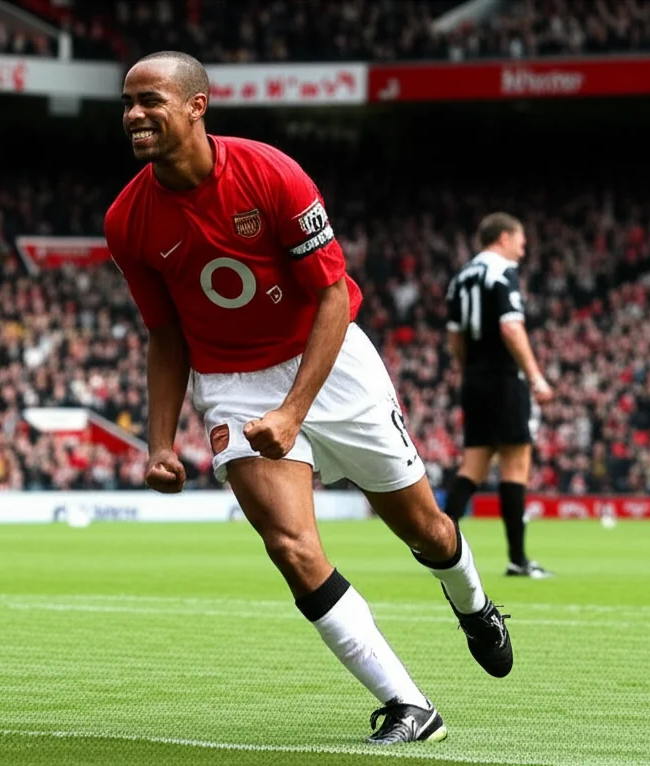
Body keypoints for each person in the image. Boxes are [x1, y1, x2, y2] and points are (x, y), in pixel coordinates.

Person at [104, 51, 512, 745]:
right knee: (290, 546)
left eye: (152, 100)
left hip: (330, 362)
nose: (135, 114)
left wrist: (295, 409)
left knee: (427, 530)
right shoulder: (127, 219)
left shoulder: (271, 173)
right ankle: (410, 704)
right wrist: (161, 444)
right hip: (232, 383)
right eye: (128, 102)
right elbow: (164, 334)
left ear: (198, 105)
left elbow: (330, 295)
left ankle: (472, 604)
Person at [443, 213, 553, 578]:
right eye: (521, 241)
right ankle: (518, 559)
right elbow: (510, 326)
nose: (523, 250)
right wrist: (535, 377)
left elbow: (455, 338)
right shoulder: (502, 272)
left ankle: (433, 542)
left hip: (474, 378)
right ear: (504, 237)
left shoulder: (461, 277)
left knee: (473, 464)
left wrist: (468, 369)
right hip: (505, 378)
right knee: (515, 462)